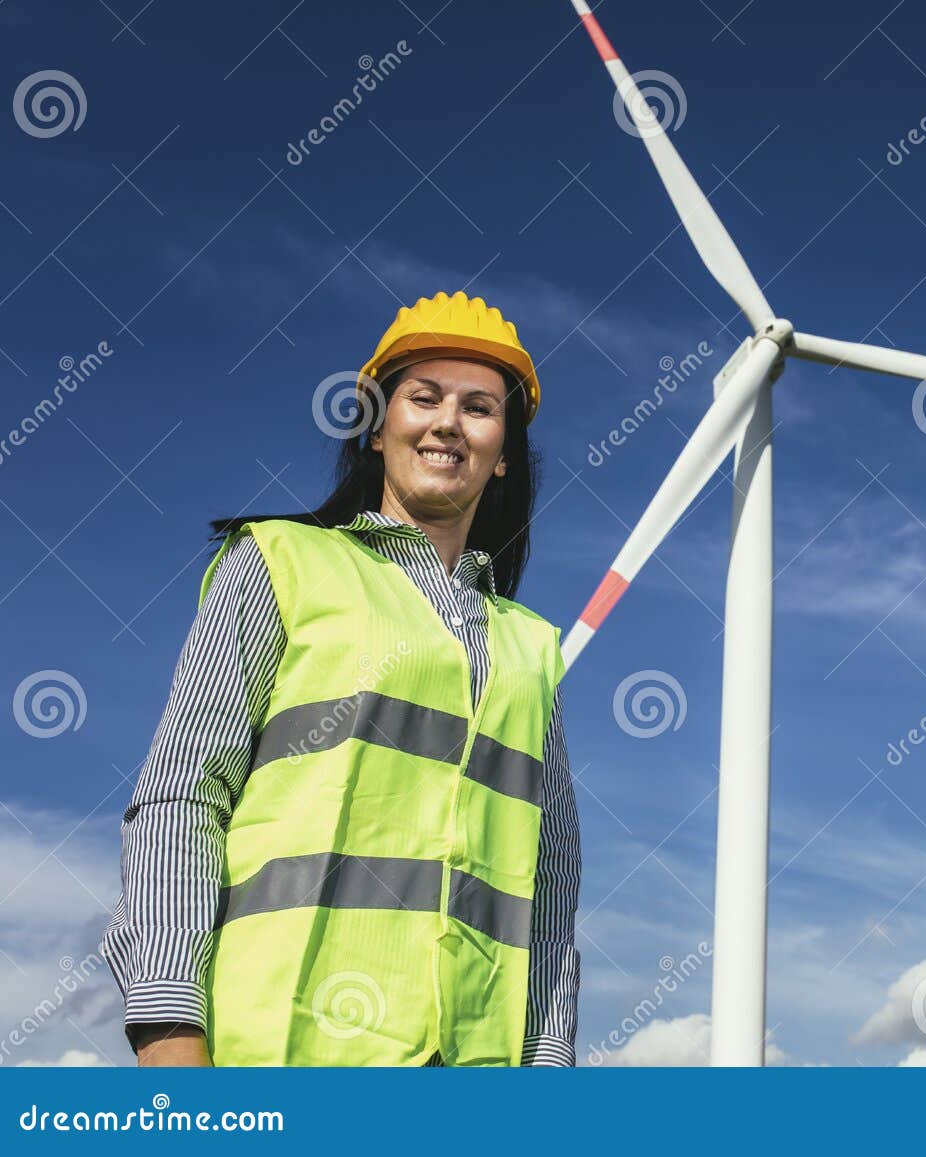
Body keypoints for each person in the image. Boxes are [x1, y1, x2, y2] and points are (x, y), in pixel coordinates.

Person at [100, 292, 580, 1066]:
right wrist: (168, 1030)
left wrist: (547, 1063)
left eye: (480, 407)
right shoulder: (281, 563)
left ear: (506, 454)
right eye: (423, 397)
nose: (448, 422)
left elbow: (550, 886)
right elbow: (182, 798)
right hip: (276, 1061)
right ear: (377, 428)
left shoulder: (531, 649)